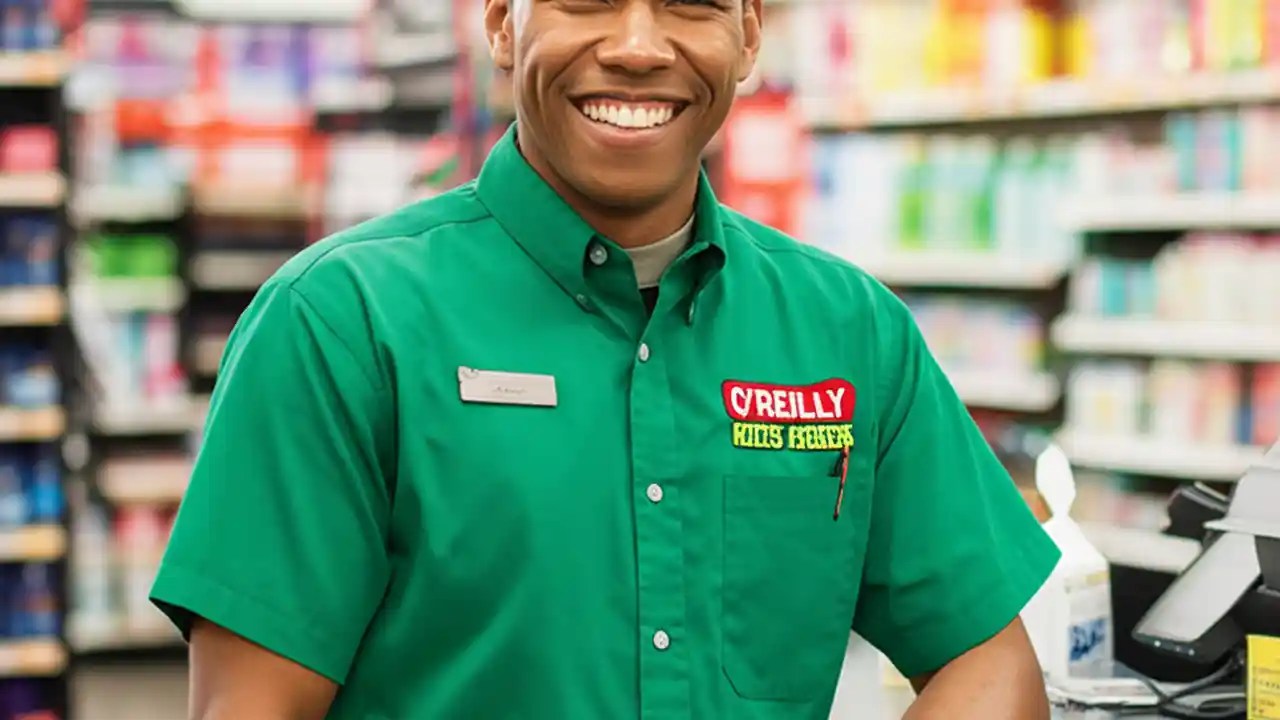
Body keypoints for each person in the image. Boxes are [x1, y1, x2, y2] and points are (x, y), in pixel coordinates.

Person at [149, 0, 1061, 718]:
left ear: (749, 35)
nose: (636, 46)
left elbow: (987, 659)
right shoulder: (340, 322)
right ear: (502, 23)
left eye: (690, 3)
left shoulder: (850, 333)